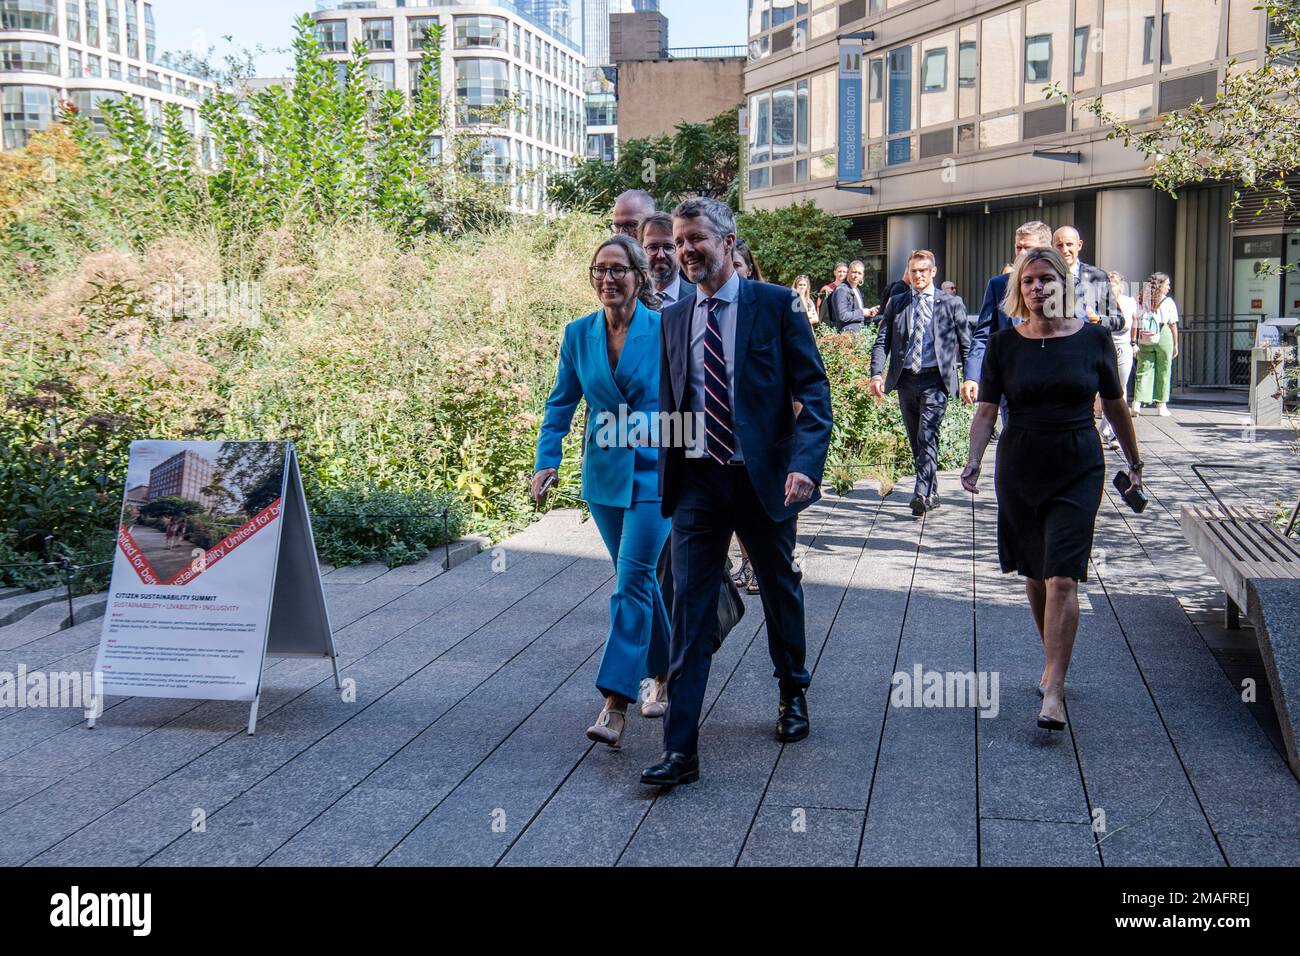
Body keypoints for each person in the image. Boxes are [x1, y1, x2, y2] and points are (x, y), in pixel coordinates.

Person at [641, 197, 832, 788]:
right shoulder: (675, 319)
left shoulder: (774, 306)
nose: (685, 250)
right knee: (689, 612)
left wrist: (803, 465)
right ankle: (681, 751)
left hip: (763, 479)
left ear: (727, 242)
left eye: (695, 238)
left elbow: (814, 395)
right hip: (699, 482)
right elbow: (676, 403)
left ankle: (792, 693)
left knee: (780, 589)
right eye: (678, 242)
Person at [960, 247, 1143, 732]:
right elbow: (986, 412)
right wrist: (974, 459)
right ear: (1018, 290)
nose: (1037, 288)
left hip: (1078, 463)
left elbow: (1115, 405)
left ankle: (1055, 688)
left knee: (1064, 575)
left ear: (1064, 283)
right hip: (1019, 464)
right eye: (1028, 281)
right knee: (1036, 573)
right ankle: (1050, 659)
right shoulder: (1004, 346)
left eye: (1046, 279)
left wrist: (1135, 459)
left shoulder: (1095, 340)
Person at [531, 235, 671, 750]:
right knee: (638, 582)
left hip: (657, 472)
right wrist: (548, 461)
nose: (608, 279)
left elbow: (694, 395)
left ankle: (615, 701)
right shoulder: (578, 334)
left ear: (639, 276)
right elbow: (561, 403)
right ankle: (668, 668)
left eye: (618, 270)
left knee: (631, 581)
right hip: (604, 476)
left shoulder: (664, 329)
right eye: (599, 270)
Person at [869, 250, 973, 516]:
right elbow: (882, 341)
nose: (918, 275)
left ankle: (920, 493)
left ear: (933, 272)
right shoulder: (897, 302)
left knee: (928, 434)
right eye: (914, 271)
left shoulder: (951, 303)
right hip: (906, 380)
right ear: (909, 272)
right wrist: (876, 374)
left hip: (936, 380)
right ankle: (932, 489)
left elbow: (966, 344)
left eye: (924, 270)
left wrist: (970, 378)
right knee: (917, 440)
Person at [964, 220, 1053, 405]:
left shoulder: (1063, 284)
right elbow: (983, 335)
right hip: (1011, 385)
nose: (1020, 253)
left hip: (1053, 382)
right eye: (1017, 247)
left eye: (1027, 247)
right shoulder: (999, 285)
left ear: (1046, 248)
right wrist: (972, 376)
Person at [1052, 226, 1124, 332]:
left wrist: (1098, 320)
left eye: (1069, 244)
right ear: (1052, 247)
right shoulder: (1045, 278)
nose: (1065, 250)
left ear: (1079, 245)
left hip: (1089, 345)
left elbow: (1119, 320)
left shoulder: (1098, 277)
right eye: (1059, 245)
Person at [1099, 270, 1138, 448]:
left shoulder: (1129, 302)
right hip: (1105, 347)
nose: (1111, 286)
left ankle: (1109, 430)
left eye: (1114, 283)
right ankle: (1107, 429)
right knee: (1105, 390)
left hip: (1124, 348)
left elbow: (1134, 322)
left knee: (1119, 389)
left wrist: (1133, 342)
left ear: (1120, 285)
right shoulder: (1101, 303)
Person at [1132, 272, 1179, 416]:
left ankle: (1137, 403)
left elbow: (1135, 319)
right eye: (1167, 284)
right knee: (1164, 369)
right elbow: (1173, 325)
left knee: (1143, 368)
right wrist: (1176, 344)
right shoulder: (1168, 301)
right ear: (1160, 285)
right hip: (1163, 334)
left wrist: (1133, 340)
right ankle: (1161, 405)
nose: (1169, 287)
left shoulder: (1140, 300)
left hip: (1145, 335)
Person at [639, 212, 694, 309]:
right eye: (653, 247)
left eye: (668, 247)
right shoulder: (629, 299)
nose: (660, 255)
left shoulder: (699, 297)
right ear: (640, 250)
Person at [830, 260, 870, 333]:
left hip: (858, 336)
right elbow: (842, 316)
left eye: (859, 273)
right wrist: (862, 313)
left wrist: (870, 313)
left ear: (863, 275)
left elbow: (857, 315)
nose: (856, 276)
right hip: (846, 337)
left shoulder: (856, 290)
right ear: (848, 273)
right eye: (854, 272)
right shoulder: (841, 290)